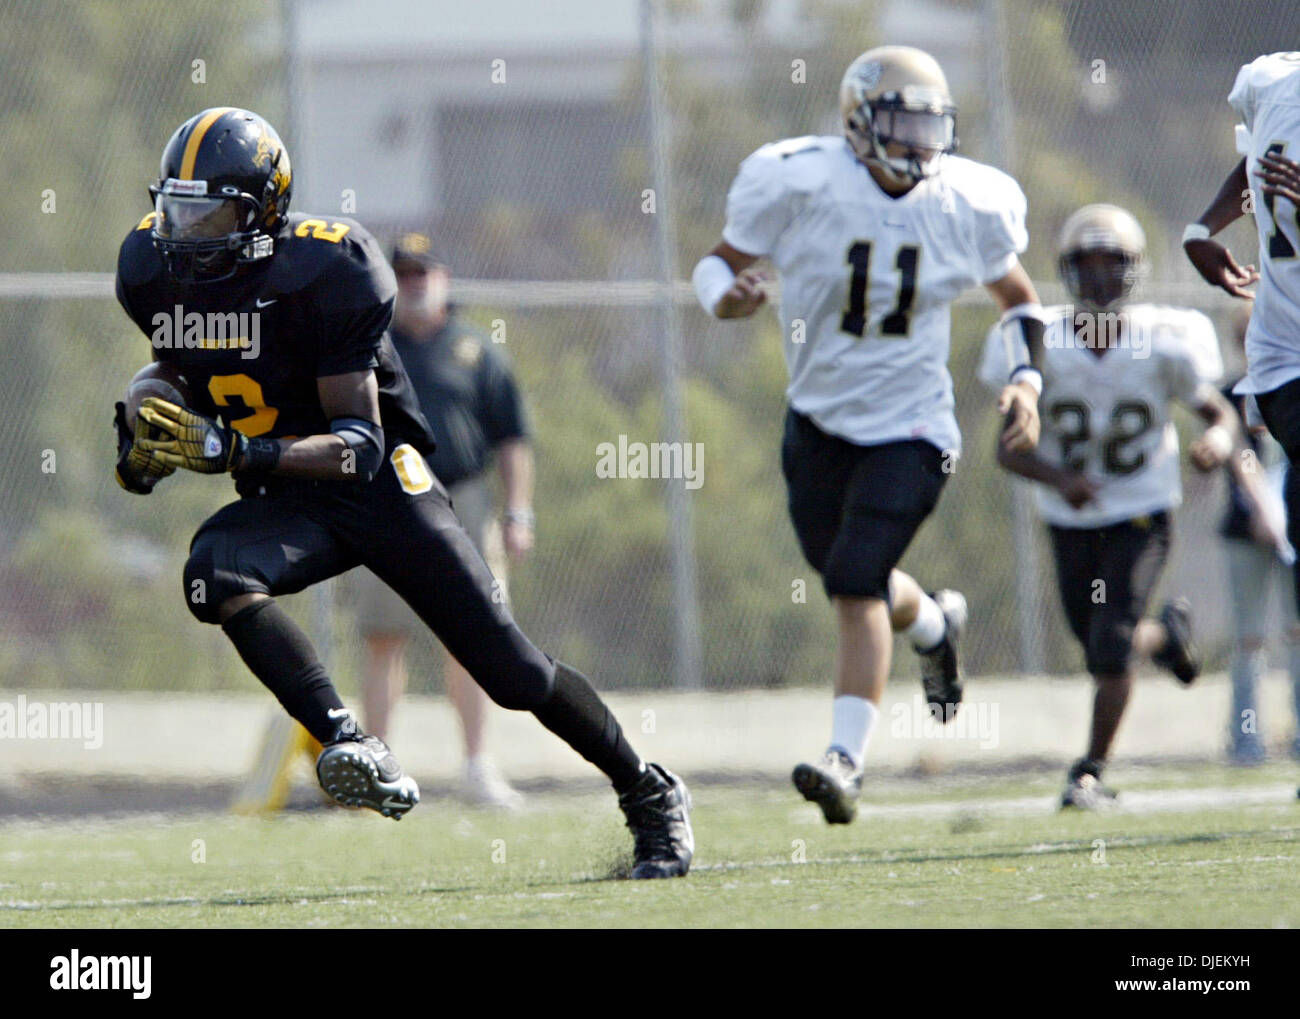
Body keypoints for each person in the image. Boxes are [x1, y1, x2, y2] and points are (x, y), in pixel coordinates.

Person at [113, 107, 692, 878]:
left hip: (380, 480)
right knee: (212, 571)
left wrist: (234, 447)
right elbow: (175, 369)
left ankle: (647, 790)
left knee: (510, 670)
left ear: (264, 211)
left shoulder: (329, 269)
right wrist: (142, 440)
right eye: (176, 208)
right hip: (287, 492)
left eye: (209, 211)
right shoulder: (150, 268)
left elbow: (359, 444)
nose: (185, 230)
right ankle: (346, 735)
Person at [692, 46, 1046, 824]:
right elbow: (714, 264)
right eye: (901, 123)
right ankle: (933, 620)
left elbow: (1020, 301)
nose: (919, 142)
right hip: (818, 418)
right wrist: (727, 300)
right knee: (851, 576)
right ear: (856, 121)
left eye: (930, 125)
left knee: (855, 580)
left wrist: (1027, 379)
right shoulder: (798, 180)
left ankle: (844, 760)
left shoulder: (967, 202)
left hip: (915, 423)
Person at [984, 203, 1238, 808]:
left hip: (1142, 511)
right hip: (1070, 518)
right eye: (1086, 264)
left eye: (1112, 263)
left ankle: (1089, 770)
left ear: (1134, 271)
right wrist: (1057, 476)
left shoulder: (1164, 342)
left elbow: (1220, 411)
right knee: (1098, 638)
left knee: (1108, 642)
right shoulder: (1039, 343)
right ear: (1067, 271)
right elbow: (1007, 452)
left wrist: (1220, 441)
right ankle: (1166, 636)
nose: (1099, 278)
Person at [354, 234, 533, 809]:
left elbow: (512, 439)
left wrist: (518, 512)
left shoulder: (477, 351)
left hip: (463, 501)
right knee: (384, 638)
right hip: (389, 502)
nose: (414, 284)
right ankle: (378, 766)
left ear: (444, 278)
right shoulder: (372, 347)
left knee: (474, 637)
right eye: (402, 274)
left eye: (422, 273)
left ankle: (478, 766)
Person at [1216, 306, 1300, 764]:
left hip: (1295, 525)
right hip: (1247, 528)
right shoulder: (1231, 393)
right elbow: (1239, 454)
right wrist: (1261, 508)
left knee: (1296, 632)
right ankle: (1245, 739)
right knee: (1249, 638)